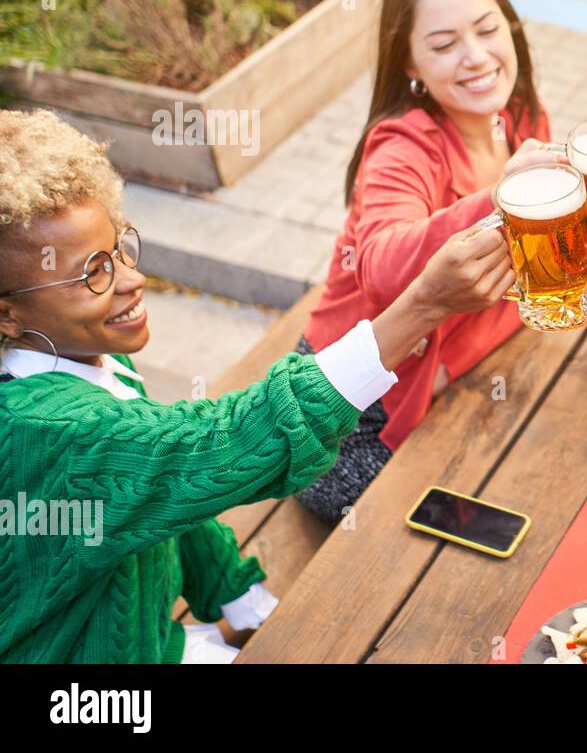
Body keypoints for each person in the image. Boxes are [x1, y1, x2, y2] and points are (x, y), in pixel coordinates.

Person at [0, 109, 513, 663]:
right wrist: (423, 304)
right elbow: (233, 441)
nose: (133, 278)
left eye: (121, 246)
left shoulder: (86, 360)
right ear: (7, 317)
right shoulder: (48, 429)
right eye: (92, 273)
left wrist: (242, 603)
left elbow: (165, 491)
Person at [298, 0, 563, 524]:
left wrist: (451, 360)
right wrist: (499, 198)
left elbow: (540, 275)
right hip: (345, 411)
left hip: (439, 376)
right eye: (444, 46)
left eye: (488, 30)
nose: (475, 57)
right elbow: (385, 268)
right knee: (423, 537)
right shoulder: (403, 145)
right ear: (411, 66)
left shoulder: (521, 120)